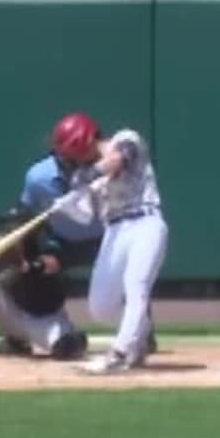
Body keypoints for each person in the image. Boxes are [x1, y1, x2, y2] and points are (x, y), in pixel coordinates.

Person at [50, 113, 168, 375]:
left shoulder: (126, 138)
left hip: (145, 223)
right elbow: (86, 213)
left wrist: (87, 179)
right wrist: (69, 204)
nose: (71, 159)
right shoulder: (82, 176)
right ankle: (141, 334)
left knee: (136, 286)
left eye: (71, 151)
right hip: (114, 232)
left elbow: (117, 160)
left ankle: (121, 352)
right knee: (100, 307)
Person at [0, 205, 89, 360]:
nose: (4, 237)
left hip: (42, 322)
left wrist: (34, 266)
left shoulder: (44, 248)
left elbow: (53, 261)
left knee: (66, 346)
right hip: (14, 315)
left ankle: (18, 341)